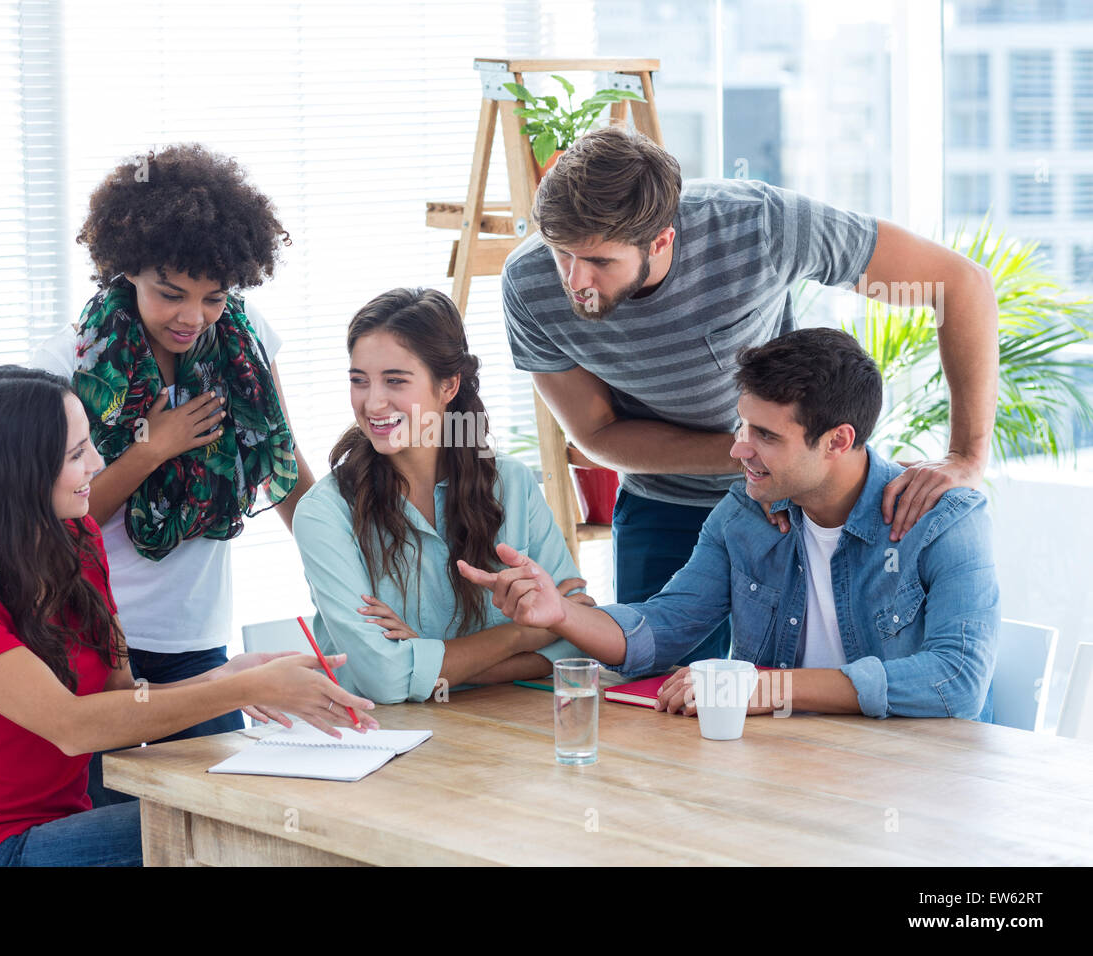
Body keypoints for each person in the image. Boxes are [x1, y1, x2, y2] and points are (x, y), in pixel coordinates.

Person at [501, 125, 999, 666]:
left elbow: (958, 285)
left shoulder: (760, 226)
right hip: (666, 501)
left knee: (818, 675)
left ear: (662, 240)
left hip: (801, 494)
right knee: (653, 687)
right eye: (562, 254)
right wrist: (753, 461)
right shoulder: (528, 285)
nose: (575, 280)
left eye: (599, 261)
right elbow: (597, 433)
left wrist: (967, 457)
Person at [0, 367, 376, 867]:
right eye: (75, 454)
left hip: (67, 823)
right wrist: (245, 691)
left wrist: (228, 674)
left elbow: (118, 703)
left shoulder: (78, 541)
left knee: (257, 817)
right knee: (234, 826)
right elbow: (70, 726)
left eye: (89, 443)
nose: (95, 462)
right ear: (15, 473)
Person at [460, 329, 1001, 721]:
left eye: (766, 435)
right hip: (779, 770)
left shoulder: (946, 520)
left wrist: (764, 689)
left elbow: (956, 681)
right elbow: (664, 627)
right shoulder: (745, 514)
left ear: (837, 440)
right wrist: (560, 613)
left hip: (915, 785)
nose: (739, 448)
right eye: (742, 424)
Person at [30, 143, 317, 802]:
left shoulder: (247, 340)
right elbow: (61, 521)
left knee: (221, 825)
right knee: (121, 833)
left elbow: (282, 468)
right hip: (96, 646)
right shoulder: (67, 364)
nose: (192, 317)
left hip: (198, 639)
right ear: (126, 266)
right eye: (170, 293)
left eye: (213, 297)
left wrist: (348, 573)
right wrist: (151, 450)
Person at [291, 288, 595, 704]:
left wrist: (429, 662)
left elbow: (576, 641)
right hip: (381, 747)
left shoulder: (513, 484)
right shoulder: (325, 514)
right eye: (359, 381)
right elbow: (383, 679)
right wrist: (522, 633)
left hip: (504, 735)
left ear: (448, 385)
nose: (373, 402)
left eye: (395, 380)